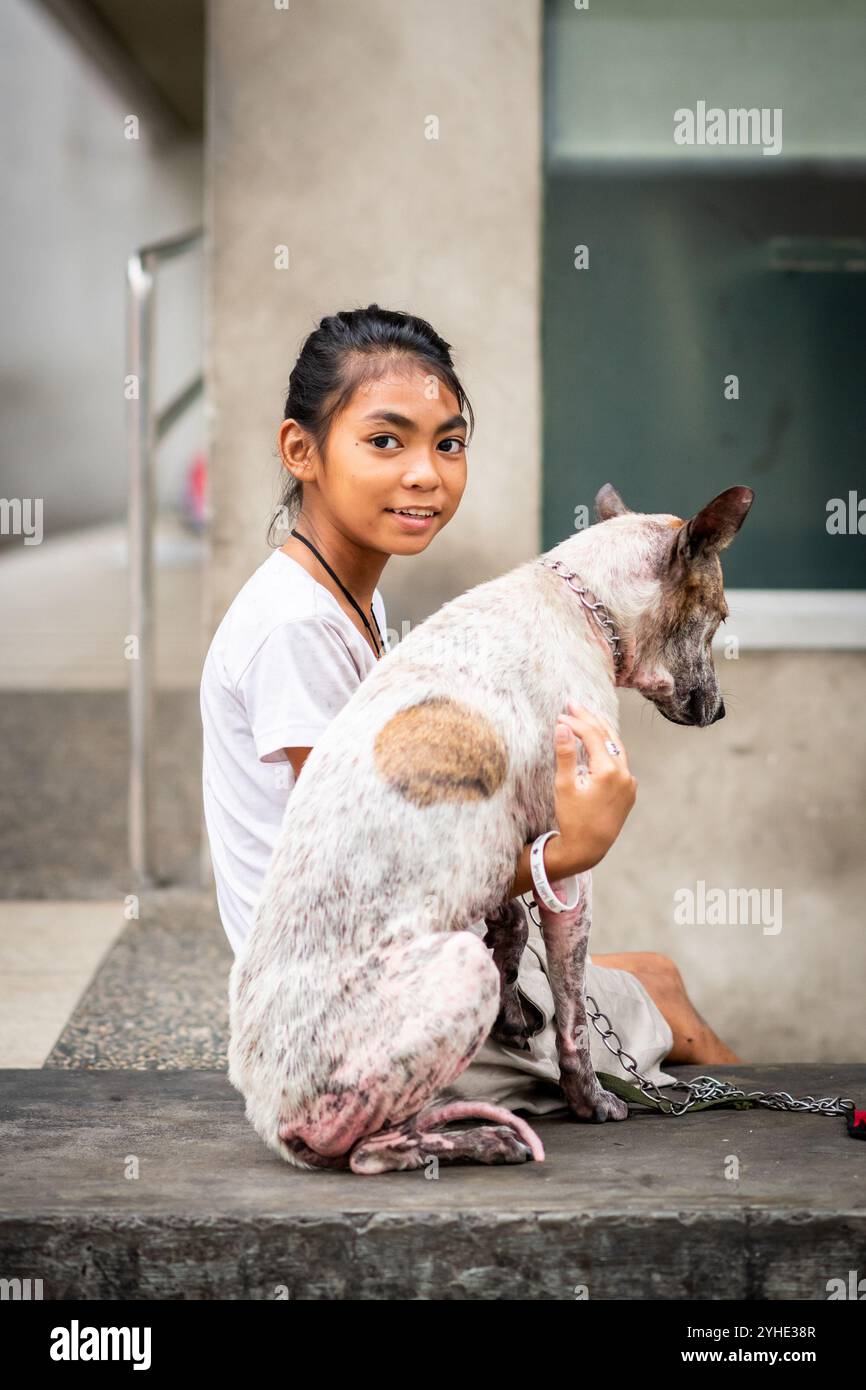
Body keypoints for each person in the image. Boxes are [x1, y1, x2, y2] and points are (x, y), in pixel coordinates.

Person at [200, 304, 740, 1124]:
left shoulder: (347, 600)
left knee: (657, 973)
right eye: (387, 441)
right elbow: (377, 872)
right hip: (357, 1007)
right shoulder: (297, 628)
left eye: (448, 443)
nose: (426, 473)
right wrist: (571, 849)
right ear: (299, 451)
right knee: (680, 1021)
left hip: (372, 960)